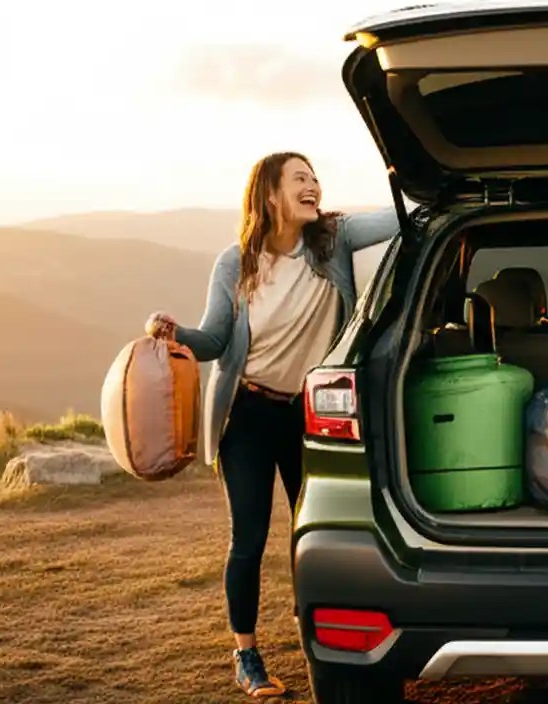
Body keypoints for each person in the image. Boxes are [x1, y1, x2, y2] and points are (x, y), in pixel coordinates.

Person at [145, 151, 399, 698]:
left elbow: (399, 215)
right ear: (270, 195)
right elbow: (215, 341)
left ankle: (312, 627)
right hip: (250, 414)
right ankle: (246, 654)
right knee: (250, 538)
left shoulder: (334, 239)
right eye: (300, 179)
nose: (313, 186)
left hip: (311, 414)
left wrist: (413, 178)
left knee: (314, 533)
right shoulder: (235, 263)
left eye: (315, 178)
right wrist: (175, 333)